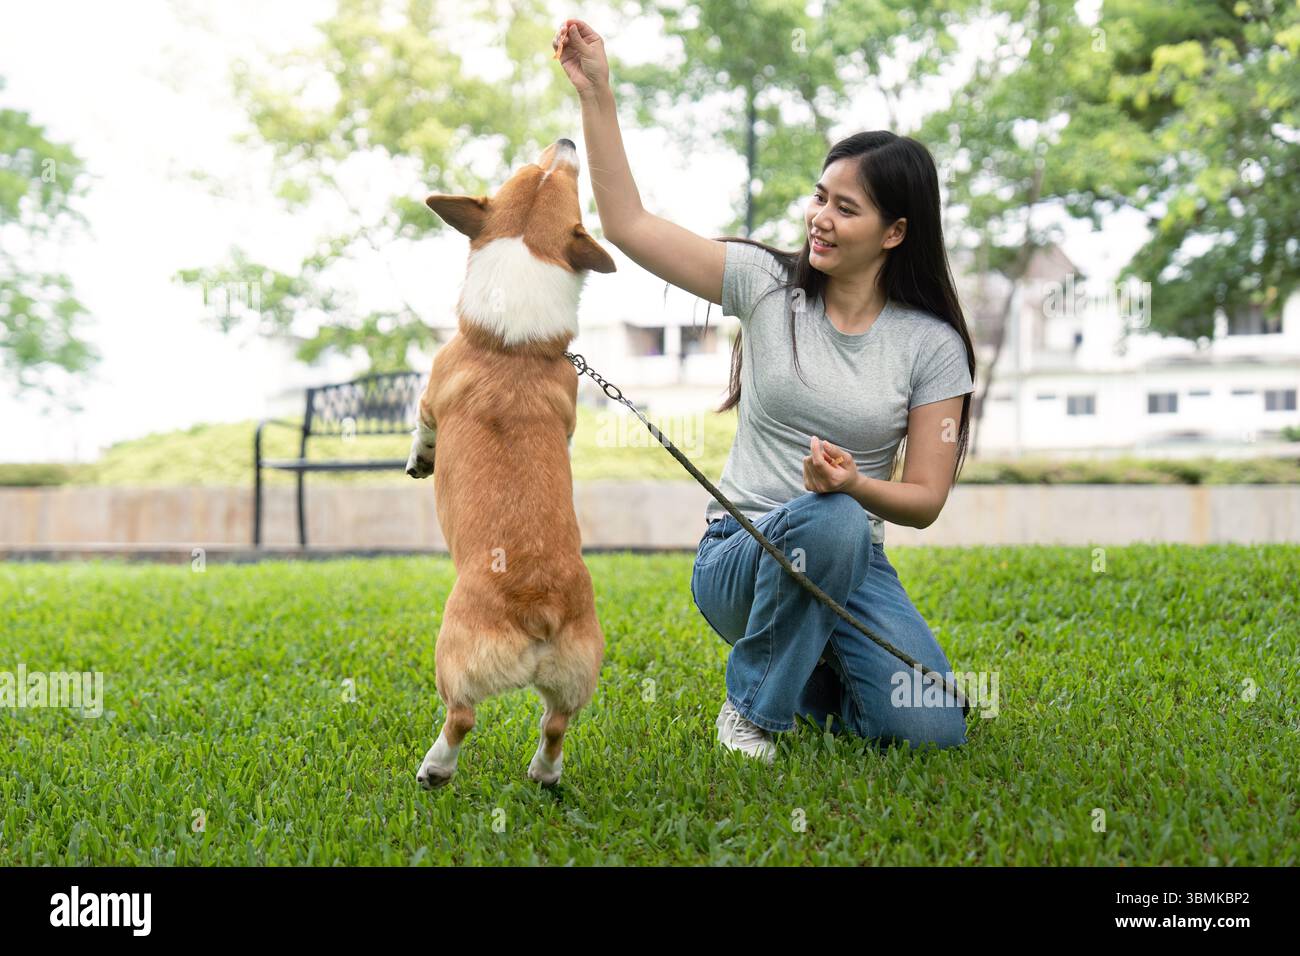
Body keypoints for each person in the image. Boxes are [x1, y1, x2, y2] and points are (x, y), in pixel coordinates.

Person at [554, 19, 976, 762]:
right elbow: (627, 224)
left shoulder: (931, 346)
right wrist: (597, 94)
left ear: (895, 232)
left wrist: (853, 483)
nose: (820, 217)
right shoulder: (766, 284)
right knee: (833, 521)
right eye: (822, 196)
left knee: (932, 727)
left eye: (847, 208)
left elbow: (925, 500)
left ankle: (812, 669)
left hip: (851, 565)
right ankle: (752, 711)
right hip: (740, 551)